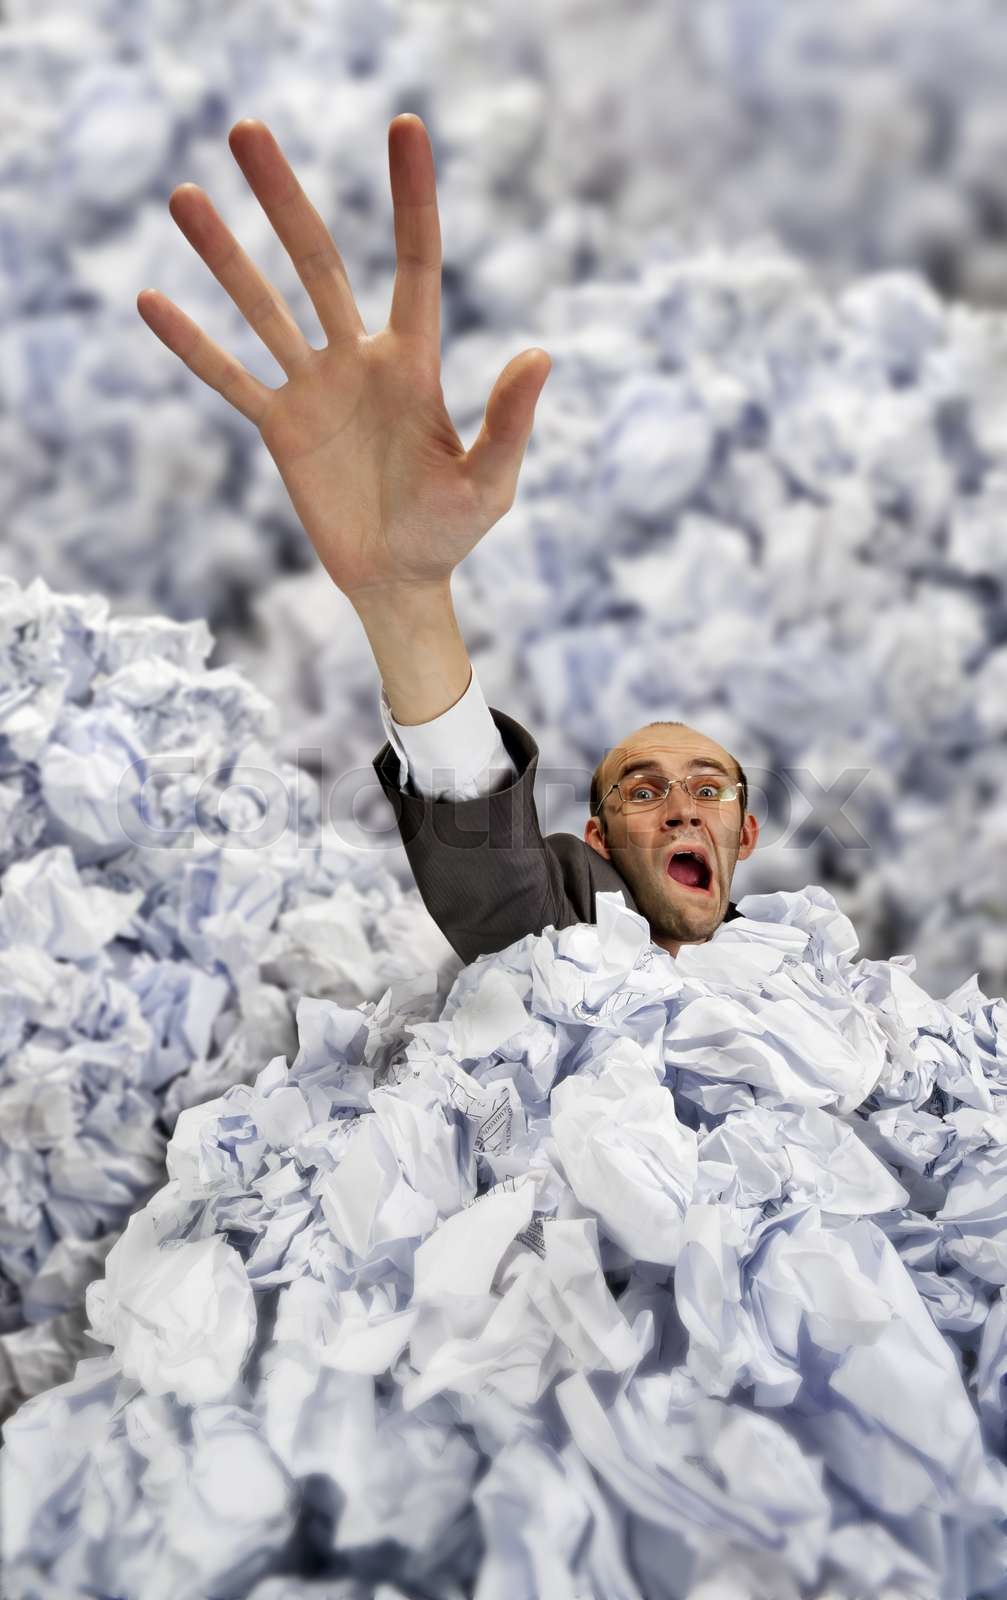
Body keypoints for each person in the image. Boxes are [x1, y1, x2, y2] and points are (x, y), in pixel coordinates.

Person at [138, 114, 759, 968]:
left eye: (706, 790)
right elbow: (500, 903)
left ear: (746, 832)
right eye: (642, 792)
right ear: (597, 842)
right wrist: (404, 597)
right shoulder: (567, 918)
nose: (682, 810)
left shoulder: (827, 997)